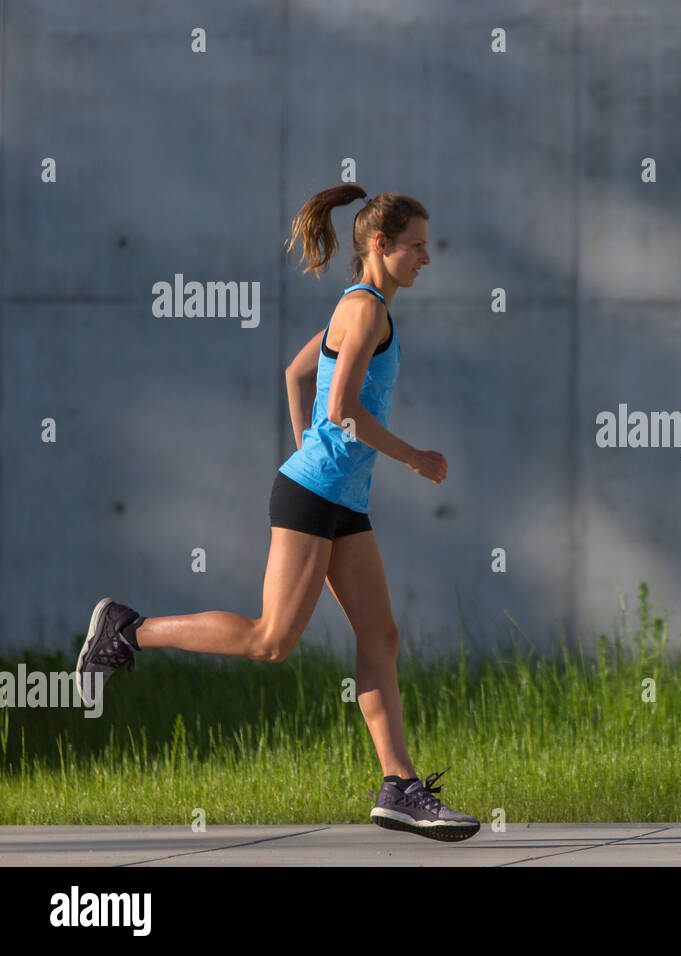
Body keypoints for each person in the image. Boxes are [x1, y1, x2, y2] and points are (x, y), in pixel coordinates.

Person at [75, 184, 478, 842]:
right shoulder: (366, 310)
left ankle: (399, 787)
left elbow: (298, 375)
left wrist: (310, 448)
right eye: (417, 247)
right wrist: (413, 458)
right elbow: (342, 406)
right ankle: (126, 631)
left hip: (338, 498)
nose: (427, 258)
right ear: (381, 245)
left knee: (381, 638)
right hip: (316, 496)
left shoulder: (358, 309)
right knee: (271, 641)